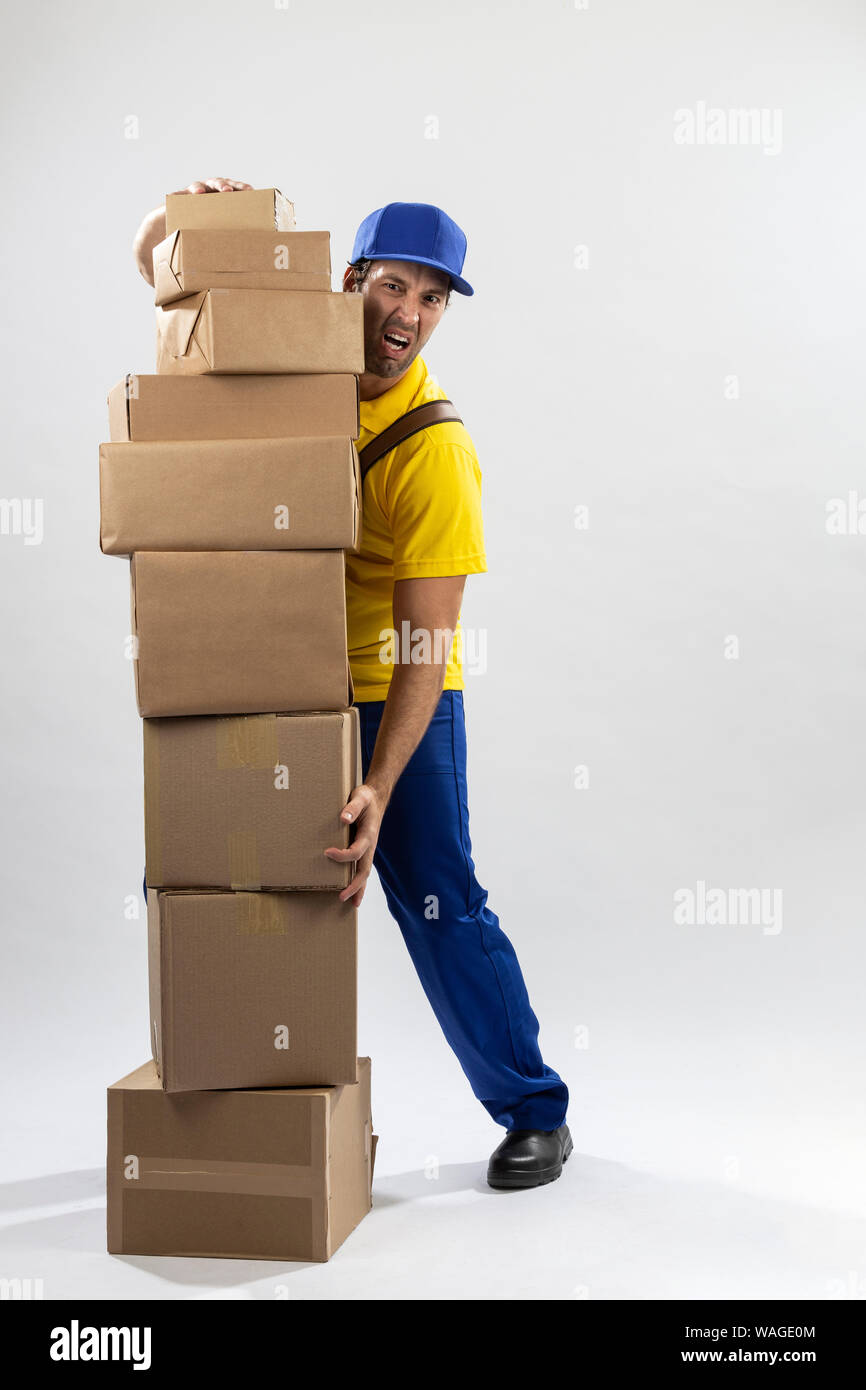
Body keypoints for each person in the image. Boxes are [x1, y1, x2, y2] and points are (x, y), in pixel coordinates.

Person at [133, 180, 571, 1189]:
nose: (407, 317)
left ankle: (533, 1108)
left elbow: (426, 645)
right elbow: (165, 282)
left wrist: (377, 781)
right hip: (280, 675)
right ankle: (238, 1096)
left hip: (391, 690)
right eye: (391, 288)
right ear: (350, 284)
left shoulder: (435, 451)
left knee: (434, 898)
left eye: (431, 300)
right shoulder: (300, 360)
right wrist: (174, 215)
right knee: (239, 878)